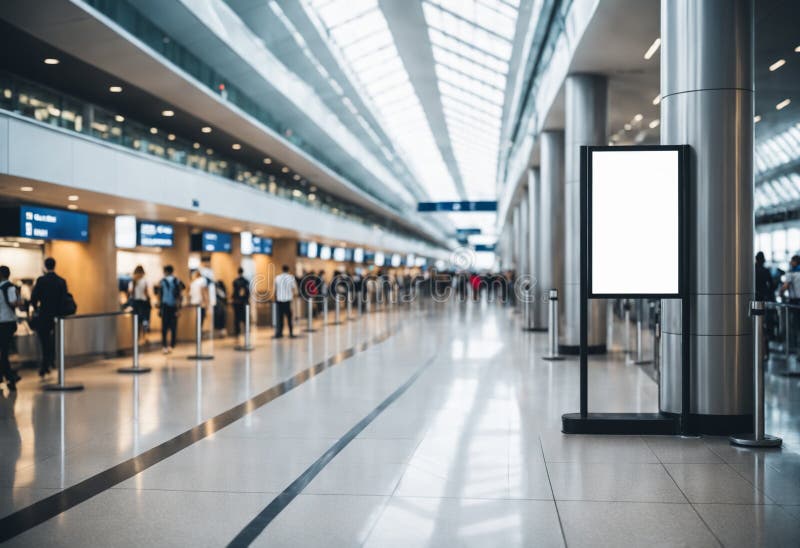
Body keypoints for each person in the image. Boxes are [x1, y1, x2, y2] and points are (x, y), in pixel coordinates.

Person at [30, 258, 68, 378]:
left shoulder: (41, 281)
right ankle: (50, 361)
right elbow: (64, 299)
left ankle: (45, 364)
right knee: (55, 339)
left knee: (44, 340)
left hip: (44, 315)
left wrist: (36, 308)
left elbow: (34, 298)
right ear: (54, 266)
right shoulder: (61, 281)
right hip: (57, 317)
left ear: (45, 266)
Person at [0, 266, 21, 390]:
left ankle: (8, 376)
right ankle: (9, 376)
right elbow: (15, 303)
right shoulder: (11, 287)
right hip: (8, 322)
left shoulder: (3, 288)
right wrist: (20, 299)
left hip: (3, 323)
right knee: (4, 351)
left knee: (3, 351)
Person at [158, 265, 183, 354]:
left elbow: (159, 295)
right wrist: (179, 308)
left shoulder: (162, 281)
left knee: (164, 327)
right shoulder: (177, 280)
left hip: (165, 306)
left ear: (165, 271)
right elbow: (180, 294)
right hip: (174, 306)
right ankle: (171, 345)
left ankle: (164, 345)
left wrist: (159, 308)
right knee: (173, 327)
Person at [780, 254, 800, 353]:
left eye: (792, 261)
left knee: (795, 324)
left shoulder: (791, 273)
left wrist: (780, 293)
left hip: (795, 302)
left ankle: (795, 346)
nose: (790, 263)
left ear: (795, 262)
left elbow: (785, 287)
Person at [128, 265, 151, 341]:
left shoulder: (132, 282)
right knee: (144, 320)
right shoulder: (144, 281)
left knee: (137, 321)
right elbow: (146, 293)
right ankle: (145, 336)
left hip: (135, 303)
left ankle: (137, 337)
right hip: (143, 303)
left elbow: (130, 293)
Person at [274, 265, 297, 338]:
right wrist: (294, 297)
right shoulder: (291, 278)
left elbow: (275, 289)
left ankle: (279, 333)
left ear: (282, 270)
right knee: (289, 317)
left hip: (279, 300)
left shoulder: (277, 277)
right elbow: (294, 290)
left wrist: (275, 298)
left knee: (280, 318)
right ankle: (290, 333)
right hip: (288, 301)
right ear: (288, 270)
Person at [232, 268, 250, 338]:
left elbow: (234, 292)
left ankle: (237, 332)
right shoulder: (246, 281)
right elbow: (248, 293)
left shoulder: (235, 281)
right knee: (245, 317)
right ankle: (246, 330)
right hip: (244, 303)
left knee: (237, 318)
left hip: (237, 302)